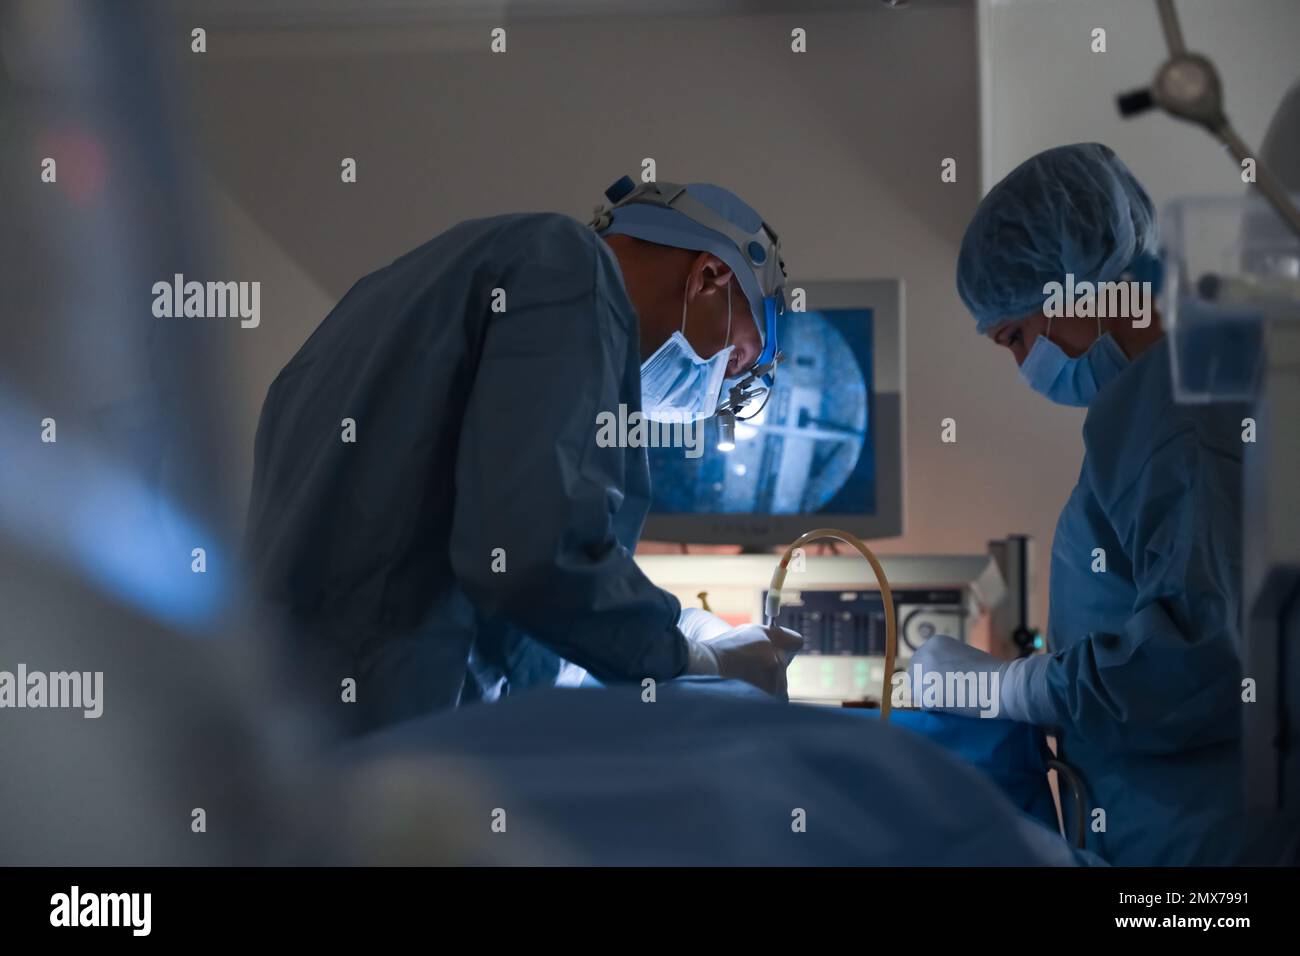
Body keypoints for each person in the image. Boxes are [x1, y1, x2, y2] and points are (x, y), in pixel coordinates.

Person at [245, 178, 802, 733]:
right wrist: (692, 660)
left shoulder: (376, 302)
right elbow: (531, 556)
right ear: (709, 277)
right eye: (734, 362)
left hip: (293, 724)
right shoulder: (570, 268)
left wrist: (676, 625)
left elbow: (476, 549)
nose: (712, 396)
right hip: (400, 742)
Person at [912, 143, 1245, 865]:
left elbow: (1206, 663)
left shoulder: (1185, 414)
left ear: (1077, 291)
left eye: (1015, 337)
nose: (1021, 364)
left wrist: (1015, 688)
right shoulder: (1165, 407)